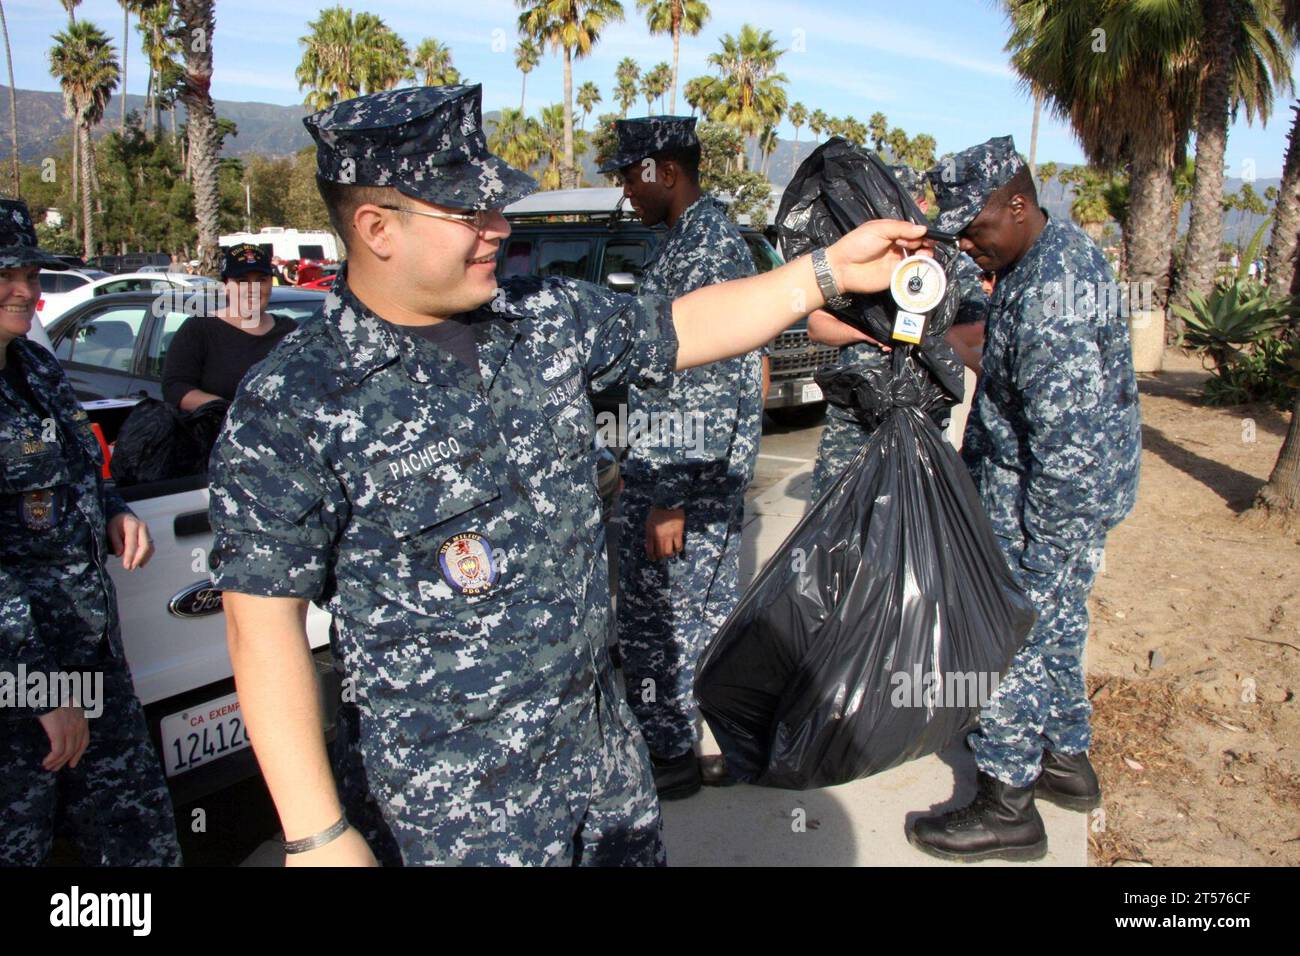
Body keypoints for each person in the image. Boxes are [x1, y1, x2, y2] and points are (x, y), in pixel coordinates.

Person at [206, 83, 928, 867]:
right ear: (377, 228)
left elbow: (685, 326)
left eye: (494, 207)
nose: (498, 229)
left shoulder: (542, 318)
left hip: (602, 769)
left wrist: (822, 272)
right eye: (469, 214)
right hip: (457, 814)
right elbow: (262, 621)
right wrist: (318, 834)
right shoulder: (295, 401)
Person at [905, 136, 1141, 861]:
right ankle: (1064, 759)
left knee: (1014, 635)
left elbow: (1066, 449)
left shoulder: (1047, 293)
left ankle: (1007, 802)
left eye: (974, 230)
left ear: (1017, 204)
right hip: (1051, 494)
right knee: (1062, 626)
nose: (969, 247)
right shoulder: (1045, 256)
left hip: (1044, 502)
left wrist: (1042, 556)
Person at [0, 199, 181, 866]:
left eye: (28, 272)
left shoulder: (35, 367)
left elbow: (76, 466)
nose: (24, 290)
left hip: (88, 655)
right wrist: (42, 689)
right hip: (22, 681)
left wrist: (113, 510)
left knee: (136, 837)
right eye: (4, 276)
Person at [600, 117, 763, 799]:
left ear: (664, 170)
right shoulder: (696, 240)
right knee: (698, 617)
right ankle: (705, 743)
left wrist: (665, 494)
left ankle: (668, 754)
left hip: (679, 480)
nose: (625, 192)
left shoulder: (705, 250)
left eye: (629, 176)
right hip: (696, 475)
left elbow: (708, 382)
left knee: (658, 619)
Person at [805, 162, 990, 502]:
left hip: (920, 416)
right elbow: (817, 326)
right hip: (853, 415)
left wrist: (920, 334)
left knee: (912, 523)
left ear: (920, 206)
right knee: (836, 516)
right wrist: (866, 332)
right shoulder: (859, 259)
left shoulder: (948, 263)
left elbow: (975, 333)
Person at [162, 243, 298, 412]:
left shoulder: (291, 332)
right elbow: (175, 388)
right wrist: (232, 410)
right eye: (242, 281)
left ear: (271, 283)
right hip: (215, 435)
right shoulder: (200, 329)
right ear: (225, 286)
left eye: (261, 280)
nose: (252, 289)